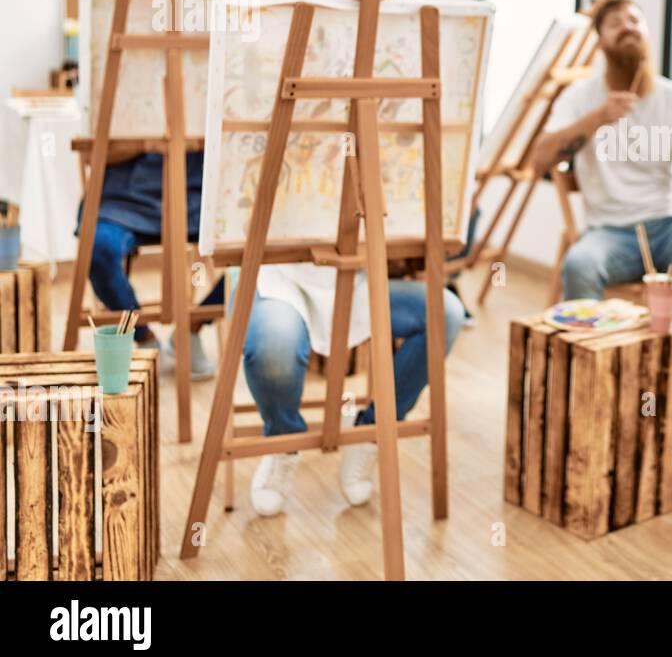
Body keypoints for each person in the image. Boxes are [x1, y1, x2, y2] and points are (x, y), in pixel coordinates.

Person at [531, 0, 672, 441]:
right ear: (600, 41)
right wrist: (595, 119)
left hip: (667, 228)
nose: (627, 27)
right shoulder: (579, 97)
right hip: (609, 233)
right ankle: (591, 384)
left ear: (647, 32)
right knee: (579, 264)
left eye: (634, 19)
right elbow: (539, 160)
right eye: (614, 23)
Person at [240, 263, 467, 516]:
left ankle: (370, 429)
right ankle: (282, 443)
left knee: (445, 313)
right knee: (274, 347)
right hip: (278, 278)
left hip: (358, 278)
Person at [82, 149, 220, 378]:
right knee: (97, 251)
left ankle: (192, 327)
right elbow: (89, 155)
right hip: (122, 198)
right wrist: (143, 141)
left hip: (195, 194)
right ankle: (143, 336)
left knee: (256, 249)